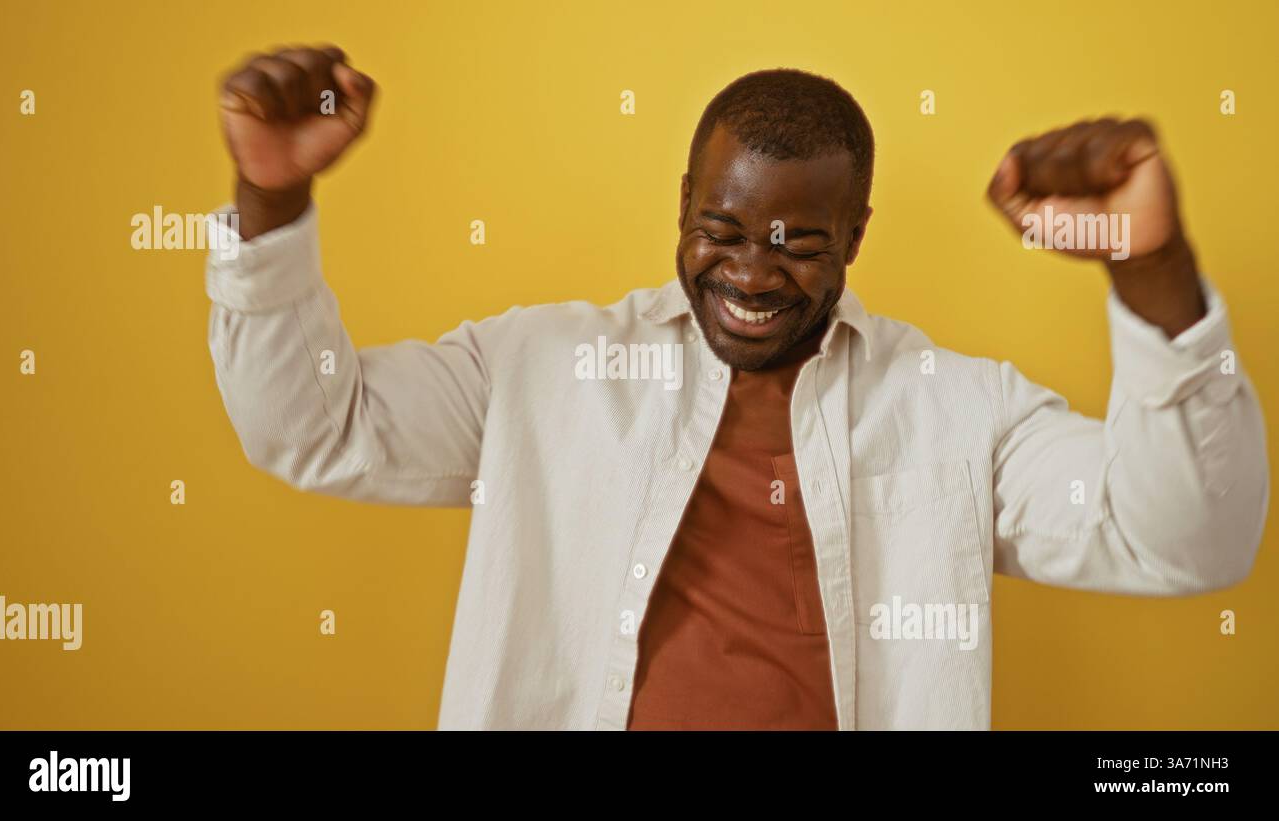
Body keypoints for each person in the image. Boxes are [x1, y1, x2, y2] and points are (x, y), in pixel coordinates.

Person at [206, 45, 1268, 730]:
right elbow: (312, 424)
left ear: (856, 235)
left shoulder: (959, 408)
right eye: (719, 230)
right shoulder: (538, 368)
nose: (752, 274)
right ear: (681, 206)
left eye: (799, 242)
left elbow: (1183, 538)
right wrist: (271, 194)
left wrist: (1149, 268)